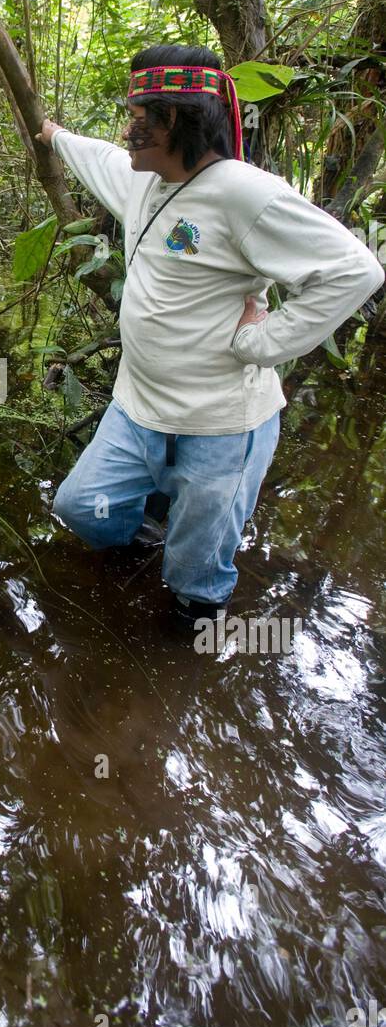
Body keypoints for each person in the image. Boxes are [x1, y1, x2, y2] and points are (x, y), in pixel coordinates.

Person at [36, 43, 384, 630]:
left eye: (136, 115)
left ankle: (192, 638)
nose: (126, 129)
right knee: (81, 507)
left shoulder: (246, 194)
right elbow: (94, 155)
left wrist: (261, 344)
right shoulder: (144, 181)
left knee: (196, 570)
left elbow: (356, 270)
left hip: (219, 427)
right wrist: (53, 135)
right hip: (137, 408)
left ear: (171, 119)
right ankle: (145, 531)